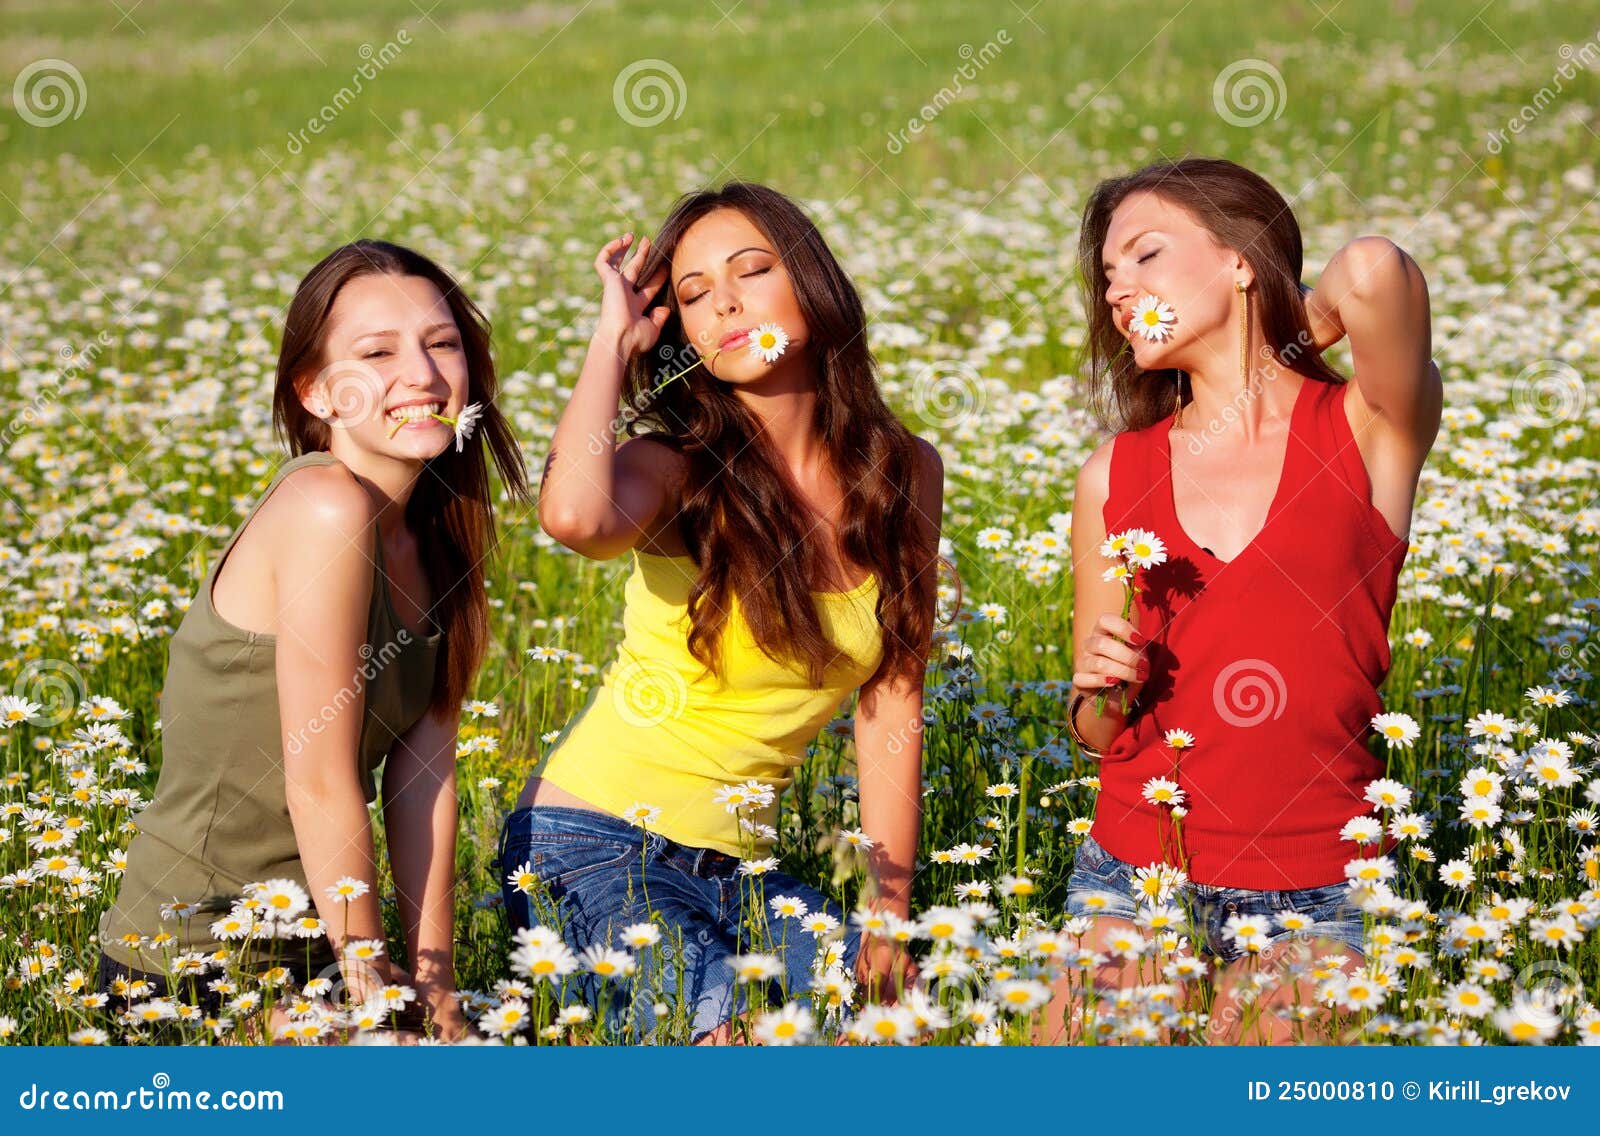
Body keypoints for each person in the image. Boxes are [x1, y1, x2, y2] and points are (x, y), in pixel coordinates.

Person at [501, 182, 950, 1044]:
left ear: (813, 283)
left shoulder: (903, 472)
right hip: (590, 845)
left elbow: (893, 702)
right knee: (734, 1047)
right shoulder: (675, 469)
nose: (727, 304)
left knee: (907, 1023)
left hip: (741, 872)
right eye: (696, 294)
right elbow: (574, 518)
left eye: (752, 271)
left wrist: (887, 920)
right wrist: (611, 342)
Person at [1047, 157, 1441, 1044]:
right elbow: (1094, 729)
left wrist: (1282, 330)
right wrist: (1103, 690)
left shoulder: (1368, 427)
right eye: (1107, 276)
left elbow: (1374, 269)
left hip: (1321, 886)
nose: (1117, 292)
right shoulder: (1113, 473)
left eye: (1146, 255)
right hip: (1136, 871)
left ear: (1239, 260)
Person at [97, 239, 530, 1043]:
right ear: (317, 391)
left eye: (442, 344)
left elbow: (423, 780)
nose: (423, 375)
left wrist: (435, 990)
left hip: (315, 955)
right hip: (188, 964)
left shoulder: (439, 534)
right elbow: (321, 781)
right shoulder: (323, 509)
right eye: (377, 353)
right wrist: (370, 987)